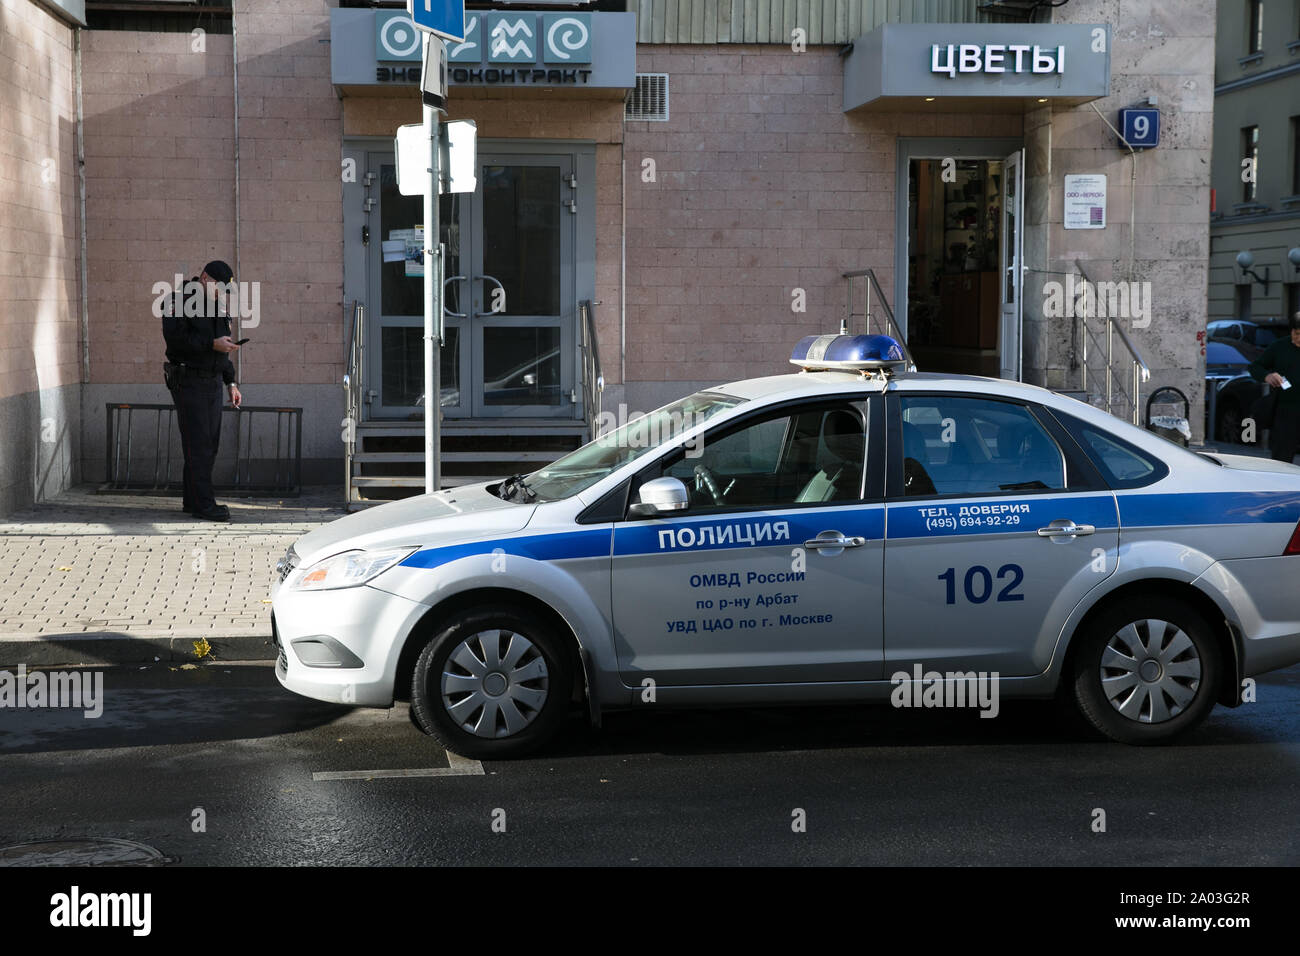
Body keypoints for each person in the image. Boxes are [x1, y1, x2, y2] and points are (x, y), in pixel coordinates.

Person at [161, 260, 243, 520]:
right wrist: (211, 344)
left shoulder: (216, 305)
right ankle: (205, 506)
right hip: (189, 380)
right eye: (219, 288)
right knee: (199, 445)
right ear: (205, 279)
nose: (222, 294)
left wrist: (230, 381)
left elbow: (223, 347)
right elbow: (176, 340)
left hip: (212, 381)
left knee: (209, 444)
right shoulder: (177, 301)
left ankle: (192, 500)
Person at [1247, 312, 1300, 463]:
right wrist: (1267, 376)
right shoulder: (1280, 347)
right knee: (1281, 457)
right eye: (1296, 334)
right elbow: (1255, 367)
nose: (1298, 338)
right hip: (1285, 410)